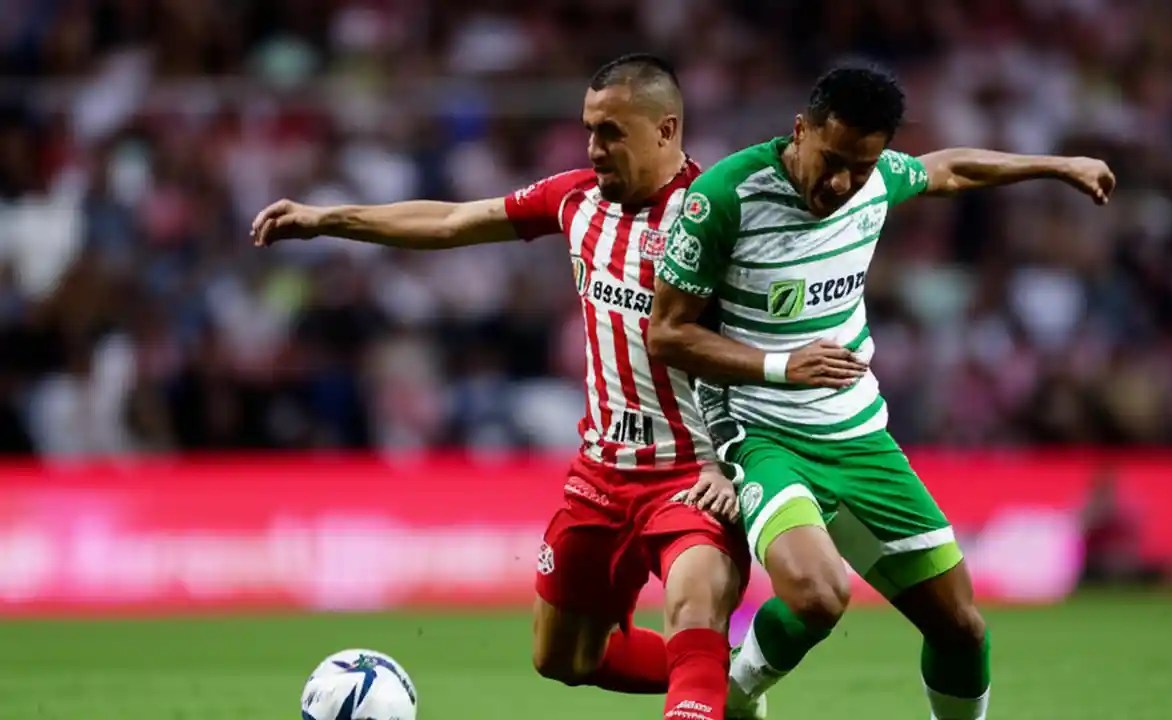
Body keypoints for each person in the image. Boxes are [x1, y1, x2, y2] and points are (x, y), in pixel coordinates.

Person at [251, 54, 835, 720]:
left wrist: (736, 463)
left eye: (611, 132)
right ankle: (728, 684)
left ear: (666, 129)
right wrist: (328, 220)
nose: (594, 148)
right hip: (602, 473)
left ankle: (707, 681)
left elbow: (776, 350)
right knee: (564, 658)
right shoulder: (576, 199)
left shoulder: (717, 218)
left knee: (693, 608)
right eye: (590, 130)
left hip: (693, 475)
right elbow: (452, 222)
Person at [648, 64, 1116, 720]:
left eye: (861, 168)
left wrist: (1058, 166)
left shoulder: (875, 183)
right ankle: (736, 694)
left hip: (858, 434)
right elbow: (667, 334)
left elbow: (950, 169)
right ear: (801, 130)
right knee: (817, 595)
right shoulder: (725, 196)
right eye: (832, 161)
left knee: (961, 627)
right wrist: (781, 366)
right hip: (759, 430)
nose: (842, 184)